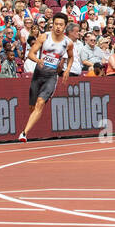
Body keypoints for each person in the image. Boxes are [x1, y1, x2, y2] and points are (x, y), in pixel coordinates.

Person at [18, 13, 73, 142]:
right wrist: (38, 60)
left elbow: (71, 57)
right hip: (38, 75)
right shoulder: (44, 37)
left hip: (51, 76)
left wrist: (67, 69)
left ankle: (24, 133)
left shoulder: (68, 43)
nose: (58, 27)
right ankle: (26, 129)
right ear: (52, 25)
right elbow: (31, 53)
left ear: (65, 27)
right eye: (56, 24)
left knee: (40, 103)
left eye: (61, 25)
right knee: (32, 107)